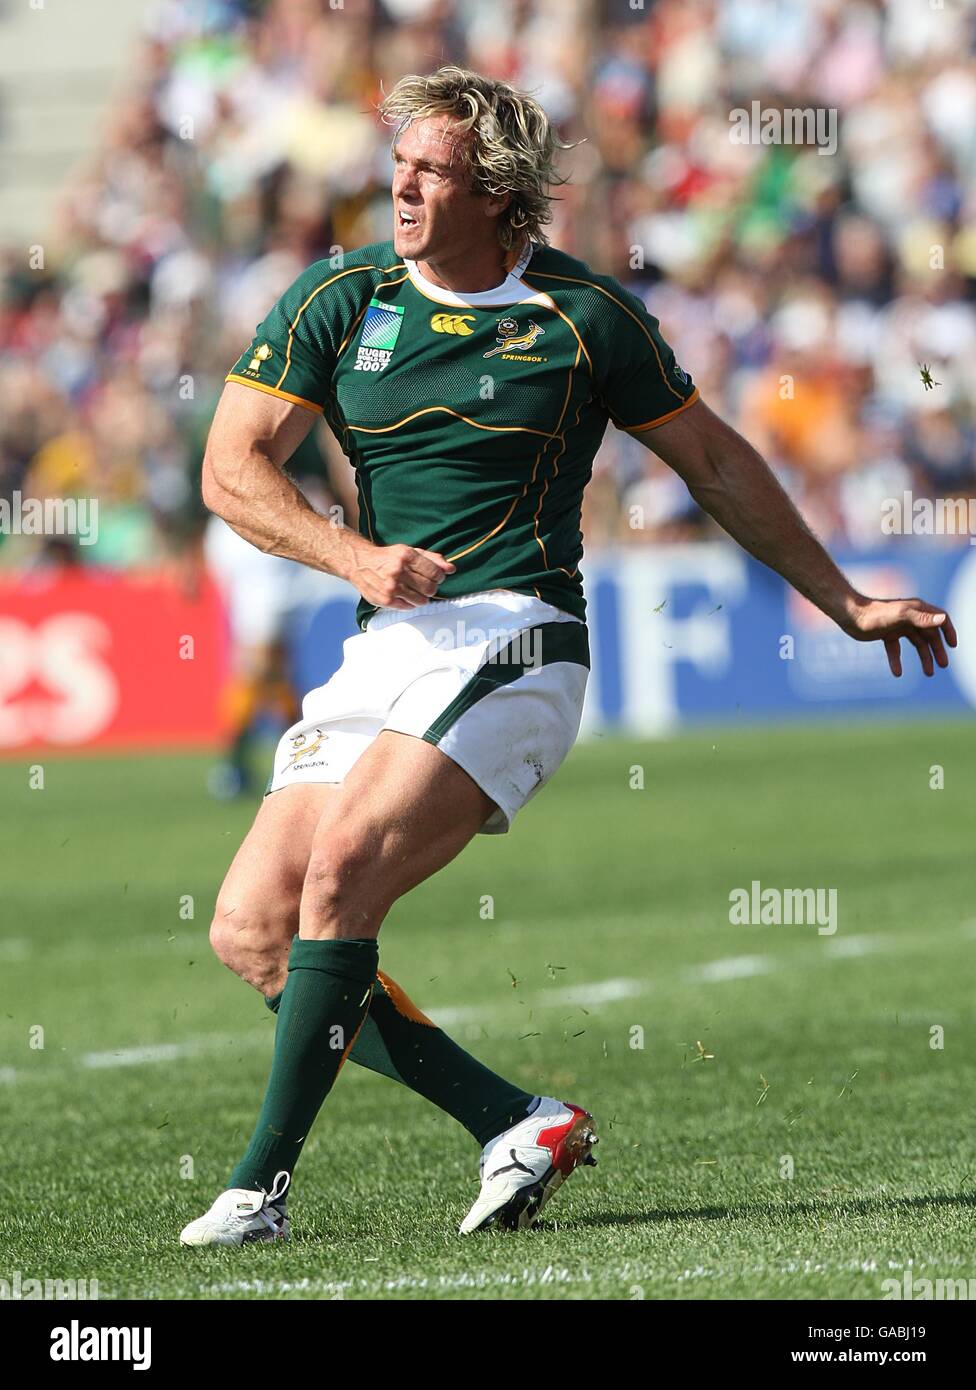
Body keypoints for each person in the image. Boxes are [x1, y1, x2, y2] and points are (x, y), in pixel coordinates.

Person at [180, 67, 956, 1247]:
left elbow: (714, 462)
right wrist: (351, 558)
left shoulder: (582, 315)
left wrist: (843, 599)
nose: (400, 181)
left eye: (431, 167)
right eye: (399, 161)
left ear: (494, 192)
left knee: (338, 872)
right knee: (250, 927)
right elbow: (230, 466)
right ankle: (514, 1121)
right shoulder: (338, 296)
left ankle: (257, 1191)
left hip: (518, 637)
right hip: (383, 636)